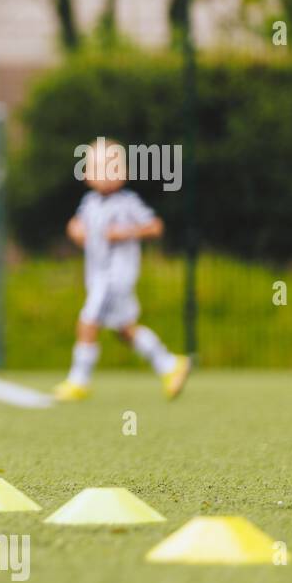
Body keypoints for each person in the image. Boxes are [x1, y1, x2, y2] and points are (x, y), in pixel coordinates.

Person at [53, 138, 191, 401]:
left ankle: (79, 380)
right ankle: (170, 364)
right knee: (124, 329)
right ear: (86, 174)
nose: (104, 174)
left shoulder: (128, 203)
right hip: (97, 277)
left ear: (124, 172)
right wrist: (75, 230)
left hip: (115, 278)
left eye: (110, 167)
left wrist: (124, 232)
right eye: (97, 167)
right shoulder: (89, 203)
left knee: (87, 321)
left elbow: (155, 226)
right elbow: (79, 226)